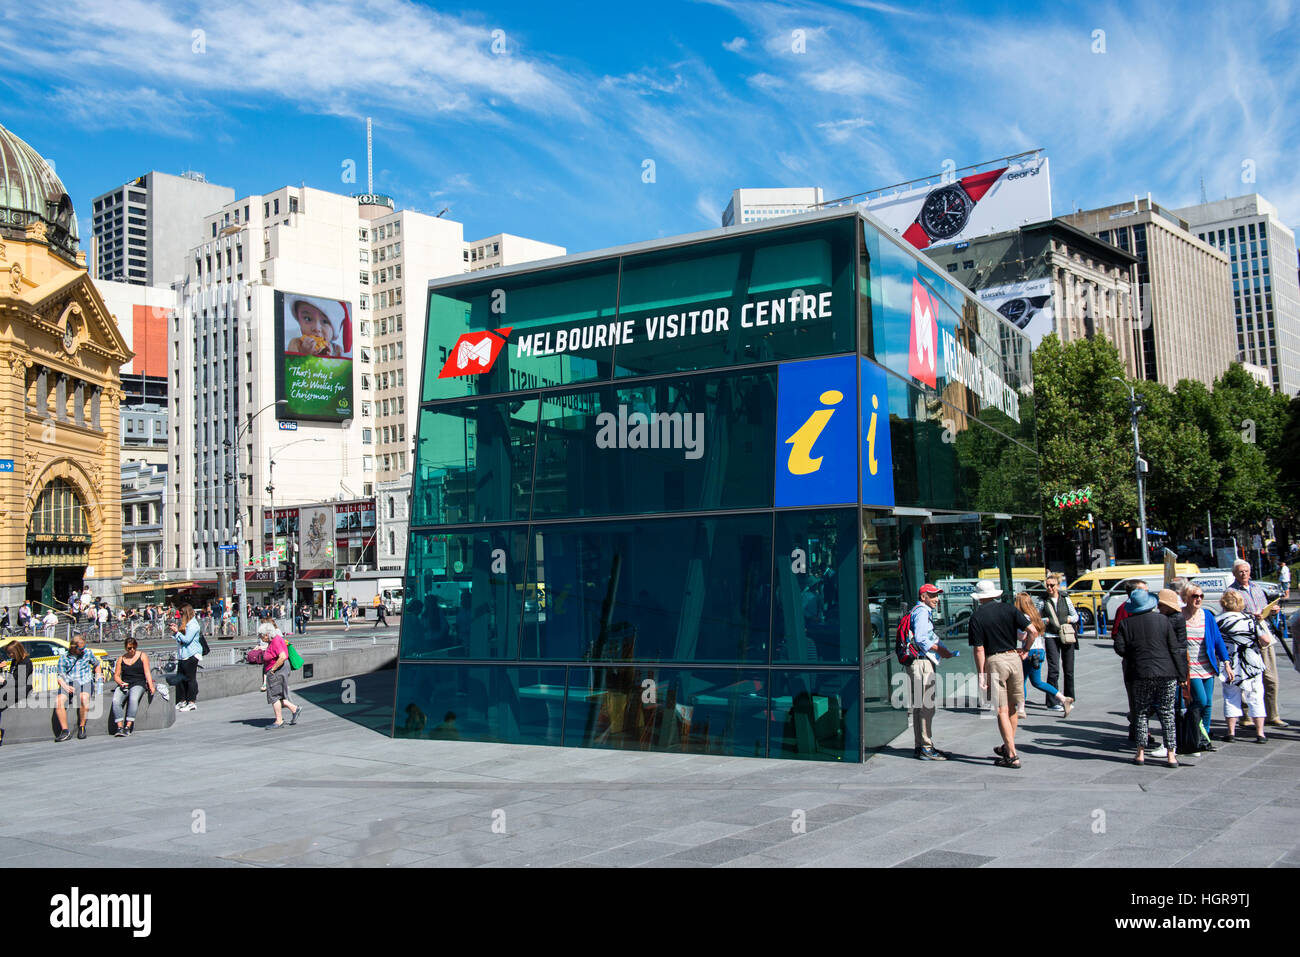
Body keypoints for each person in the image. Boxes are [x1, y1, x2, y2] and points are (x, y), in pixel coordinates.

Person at [1112, 586, 1185, 767]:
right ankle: (1171, 755)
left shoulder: (1126, 624)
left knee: (1141, 712)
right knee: (1167, 712)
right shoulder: (1163, 620)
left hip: (1140, 672)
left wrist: (1134, 653)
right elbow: (1174, 648)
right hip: (1166, 672)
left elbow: (1119, 648)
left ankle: (1140, 753)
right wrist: (1182, 673)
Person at [967, 580, 1032, 769]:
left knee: (1001, 710)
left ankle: (1012, 755)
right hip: (1014, 658)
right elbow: (1033, 630)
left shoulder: (977, 617)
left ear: (979, 598)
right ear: (995, 594)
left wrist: (981, 674)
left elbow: (979, 649)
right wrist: (1025, 649)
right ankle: (1007, 746)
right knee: (1013, 708)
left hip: (995, 661)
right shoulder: (1009, 609)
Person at [1227, 559, 1285, 729]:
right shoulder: (1231, 592)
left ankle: (1272, 714)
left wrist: (1271, 611)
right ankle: (1247, 715)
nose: (1244, 574)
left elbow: (1264, 609)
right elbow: (1231, 616)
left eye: (1246, 571)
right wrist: (1252, 616)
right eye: (1241, 572)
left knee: (1271, 678)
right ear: (1235, 574)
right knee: (1247, 677)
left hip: (1264, 636)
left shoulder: (1257, 588)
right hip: (1246, 640)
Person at [905, 583, 958, 761]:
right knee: (926, 706)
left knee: (920, 706)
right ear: (923, 597)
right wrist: (941, 651)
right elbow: (921, 639)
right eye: (932, 595)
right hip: (922, 663)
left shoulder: (919, 611)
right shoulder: (921, 612)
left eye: (937, 595)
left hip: (919, 663)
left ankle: (921, 745)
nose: (936, 599)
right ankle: (926, 747)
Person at [1177, 581, 1230, 752]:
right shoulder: (1179, 616)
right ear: (1186, 598)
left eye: (1201, 596)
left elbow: (1217, 640)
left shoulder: (1207, 615)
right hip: (1190, 667)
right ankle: (1191, 730)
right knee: (1201, 700)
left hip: (1207, 666)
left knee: (1208, 705)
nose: (1199, 599)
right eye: (1195, 596)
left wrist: (1226, 662)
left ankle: (1203, 737)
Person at [1217, 589, 1267, 743]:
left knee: (1231, 696)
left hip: (1229, 663)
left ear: (1223, 603)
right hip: (1251, 662)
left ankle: (1231, 732)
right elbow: (1265, 640)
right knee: (1256, 696)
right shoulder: (1250, 619)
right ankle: (1260, 733)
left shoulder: (1217, 620)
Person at [1014, 591, 1074, 717]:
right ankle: (1063, 699)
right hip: (1040, 650)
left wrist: (1017, 632)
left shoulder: (1024, 617)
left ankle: (1021, 708)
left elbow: (1022, 636)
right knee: (1037, 682)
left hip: (1029, 651)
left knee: (1021, 681)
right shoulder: (1035, 615)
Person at [53, 634, 102, 742]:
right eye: (81, 648)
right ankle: (65, 731)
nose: (83, 650)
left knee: (83, 698)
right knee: (59, 701)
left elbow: (97, 664)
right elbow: (60, 675)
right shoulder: (64, 658)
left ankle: (82, 726)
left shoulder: (88, 653)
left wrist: (98, 675)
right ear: (74, 648)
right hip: (69, 682)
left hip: (85, 681)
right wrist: (65, 686)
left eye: (84, 647)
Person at [111, 637, 156, 737]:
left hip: (138, 682)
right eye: (129, 648)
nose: (132, 650)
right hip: (125, 683)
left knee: (133, 699)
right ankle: (119, 727)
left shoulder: (142, 656)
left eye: (134, 648)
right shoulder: (121, 659)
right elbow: (116, 675)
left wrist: (151, 685)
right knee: (116, 700)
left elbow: (147, 672)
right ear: (125, 648)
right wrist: (121, 683)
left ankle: (128, 726)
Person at [260, 627, 302, 729]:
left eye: (261, 635)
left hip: (277, 671)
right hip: (280, 670)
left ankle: (279, 721)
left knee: (274, 696)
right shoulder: (277, 639)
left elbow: (282, 656)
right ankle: (294, 709)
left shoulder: (275, 641)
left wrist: (272, 670)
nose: (260, 637)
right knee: (278, 695)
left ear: (267, 634)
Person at [0, 640, 34, 746]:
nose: (9, 655)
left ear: (17, 651)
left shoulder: (26, 662)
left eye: (10, 653)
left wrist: (3, 681)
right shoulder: (16, 661)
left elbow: (20, 682)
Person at [173, 603, 203, 712]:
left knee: (190, 679)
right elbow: (180, 639)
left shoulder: (193, 625)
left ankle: (191, 702)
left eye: (181, 613)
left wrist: (177, 632)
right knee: (181, 679)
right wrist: (176, 633)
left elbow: (187, 640)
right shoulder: (186, 624)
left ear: (186, 613)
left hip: (191, 654)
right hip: (183, 655)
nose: (180, 615)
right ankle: (183, 700)